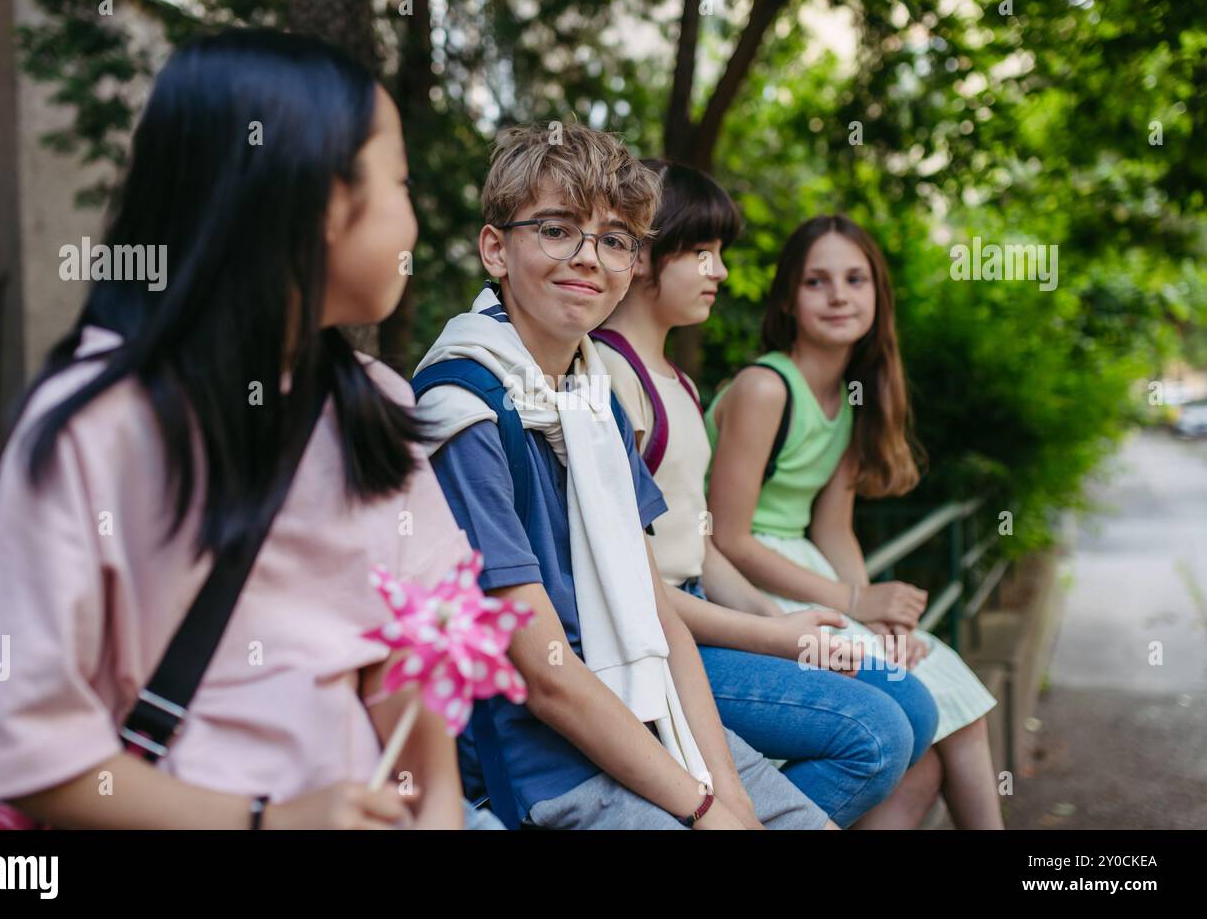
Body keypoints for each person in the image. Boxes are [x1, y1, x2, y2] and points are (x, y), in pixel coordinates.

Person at [0, 29, 479, 830]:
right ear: (327, 202)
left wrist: (434, 798)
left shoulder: (373, 409)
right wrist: (267, 819)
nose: (415, 222)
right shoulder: (96, 428)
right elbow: (25, 749)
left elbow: (409, 650)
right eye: (398, 182)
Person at [417, 123, 832, 829]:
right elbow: (544, 676)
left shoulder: (593, 392)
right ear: (495, 248)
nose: (588, 258)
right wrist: (703, 810)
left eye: (613, 240)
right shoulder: (463, 412)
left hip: (647, 714)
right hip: (541, 762)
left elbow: (658, 612)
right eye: (556, 229)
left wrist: (725, 793)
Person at [595, 161, 940, 827]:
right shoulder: (612, 380)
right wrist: (767, 635)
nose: (719, 272)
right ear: (640, 256)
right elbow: (627, 583)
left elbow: (700, 544)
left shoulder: (681, 388)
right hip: (658, 647)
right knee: (878, 736)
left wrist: (778, 624)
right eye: (702, 253)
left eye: (720, 254)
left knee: (916, 707)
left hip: (705, 622)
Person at [706, 214, 1004, 829]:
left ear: (877, 295)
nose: (839, 295)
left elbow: (834, 529)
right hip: (749, 585)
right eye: (817, 281)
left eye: (855, 279)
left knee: (926, 754)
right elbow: (728, 536)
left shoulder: (848, 398)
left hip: (806, 572)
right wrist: (853, 599)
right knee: (953, 716)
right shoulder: (765, 387)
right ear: (789, 297)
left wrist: (881, 616)